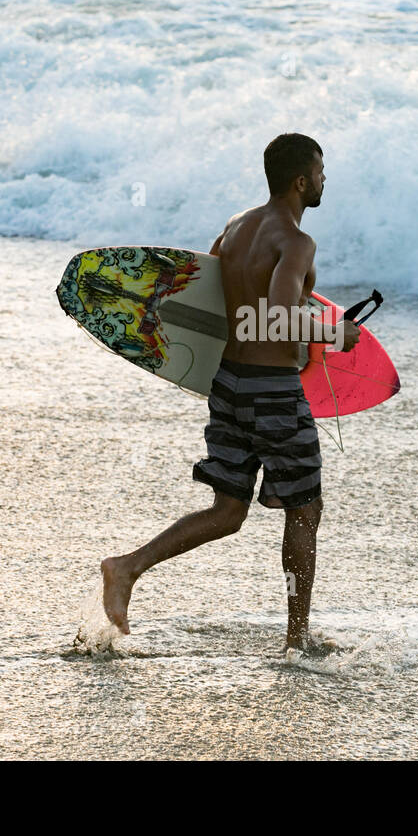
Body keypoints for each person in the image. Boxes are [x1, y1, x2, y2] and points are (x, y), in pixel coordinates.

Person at [100, 133, 359, 651]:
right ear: (301, 181)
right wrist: (335, 334)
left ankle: (127, 567)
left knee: (227, 511)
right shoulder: (295, 241)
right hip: (273, 394)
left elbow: (209, 292)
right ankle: (297, 637)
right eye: (321, 171)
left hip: (228, 385)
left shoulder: (237, 226)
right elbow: (280, 318)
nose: (326, 179)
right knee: (304, 509)